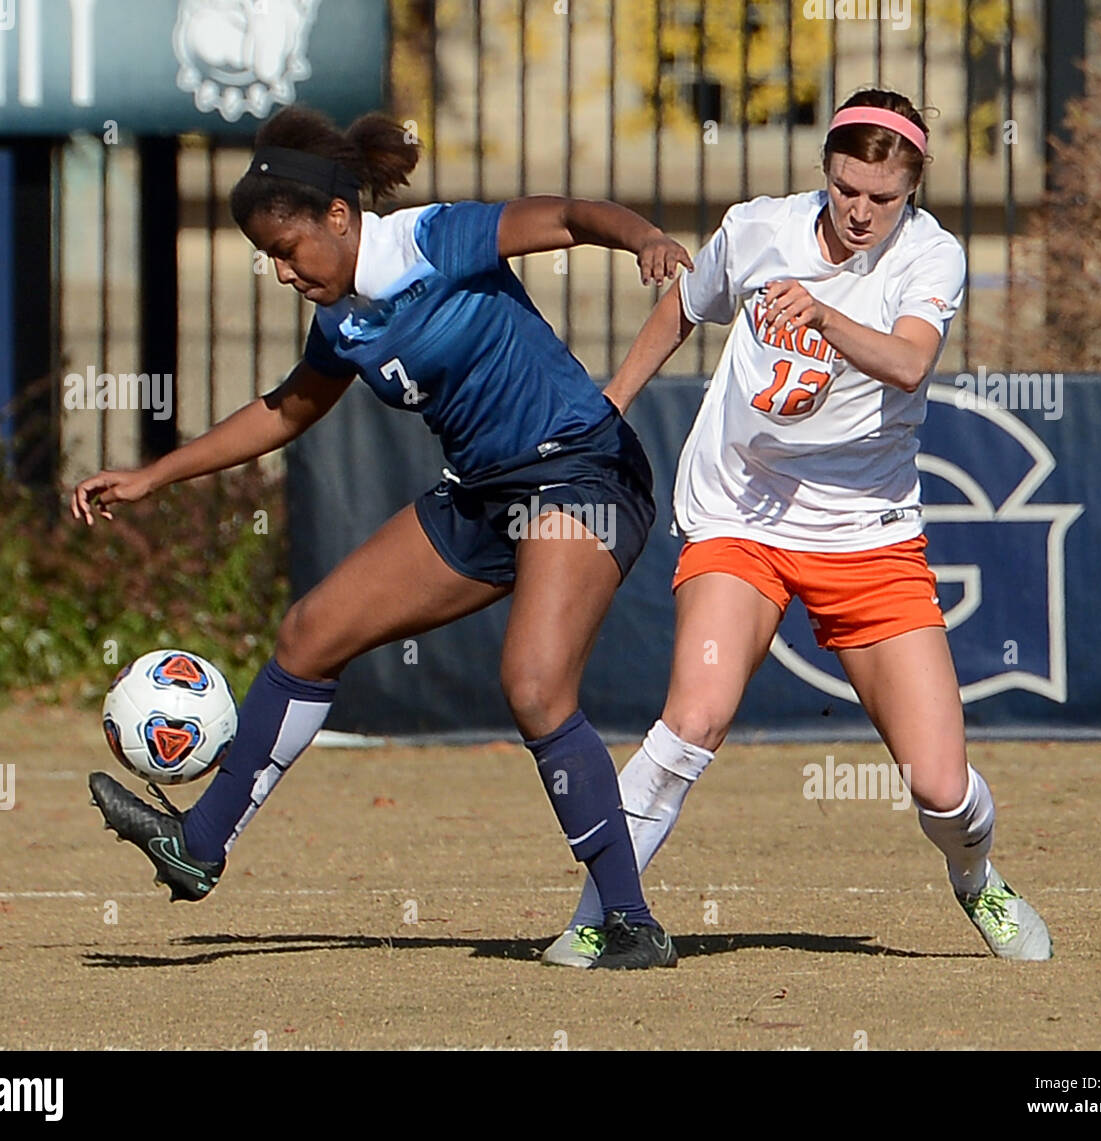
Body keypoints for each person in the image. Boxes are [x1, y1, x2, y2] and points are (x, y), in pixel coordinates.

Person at [74, 105, 692, 969]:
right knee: (310, 632)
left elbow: (562, 217)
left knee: (534, 682)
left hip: (580, 469)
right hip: (481, 495)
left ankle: (628, 920)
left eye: (288, 249)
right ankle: (200, 845)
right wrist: (151, 475)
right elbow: (287, 410)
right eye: (269, 258)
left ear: (338, 215)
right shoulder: (341, 320)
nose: (283, 272)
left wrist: (644, 237)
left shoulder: (431, 240)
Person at [543, 89, 1053, 967]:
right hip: (740, 512)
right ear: (827, 171)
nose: (860, 210)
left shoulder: (933, 256)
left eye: (882, 196)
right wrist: (616, 399)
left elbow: (909, 361)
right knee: (693, 718)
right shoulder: (757, 229)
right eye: (847, 187)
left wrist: (822, 313)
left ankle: (978, 881)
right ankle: (606, 911)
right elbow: (684, 307)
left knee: (939, 786)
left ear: (913, 188)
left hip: (869, 533)